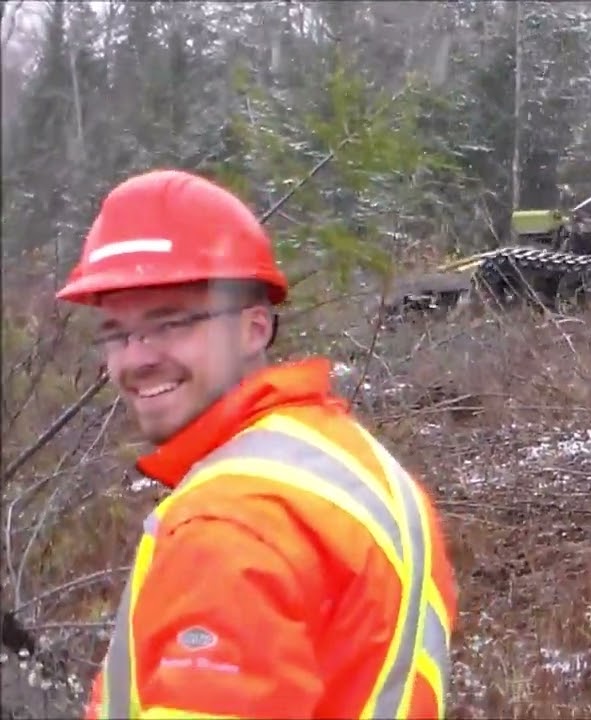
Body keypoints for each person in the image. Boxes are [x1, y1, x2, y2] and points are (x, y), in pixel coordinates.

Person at [56, 168, 458, 719]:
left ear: (255, 327)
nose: (137, 357)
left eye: (170, 322)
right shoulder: (355, 467)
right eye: (116, 333)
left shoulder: (230, 523)